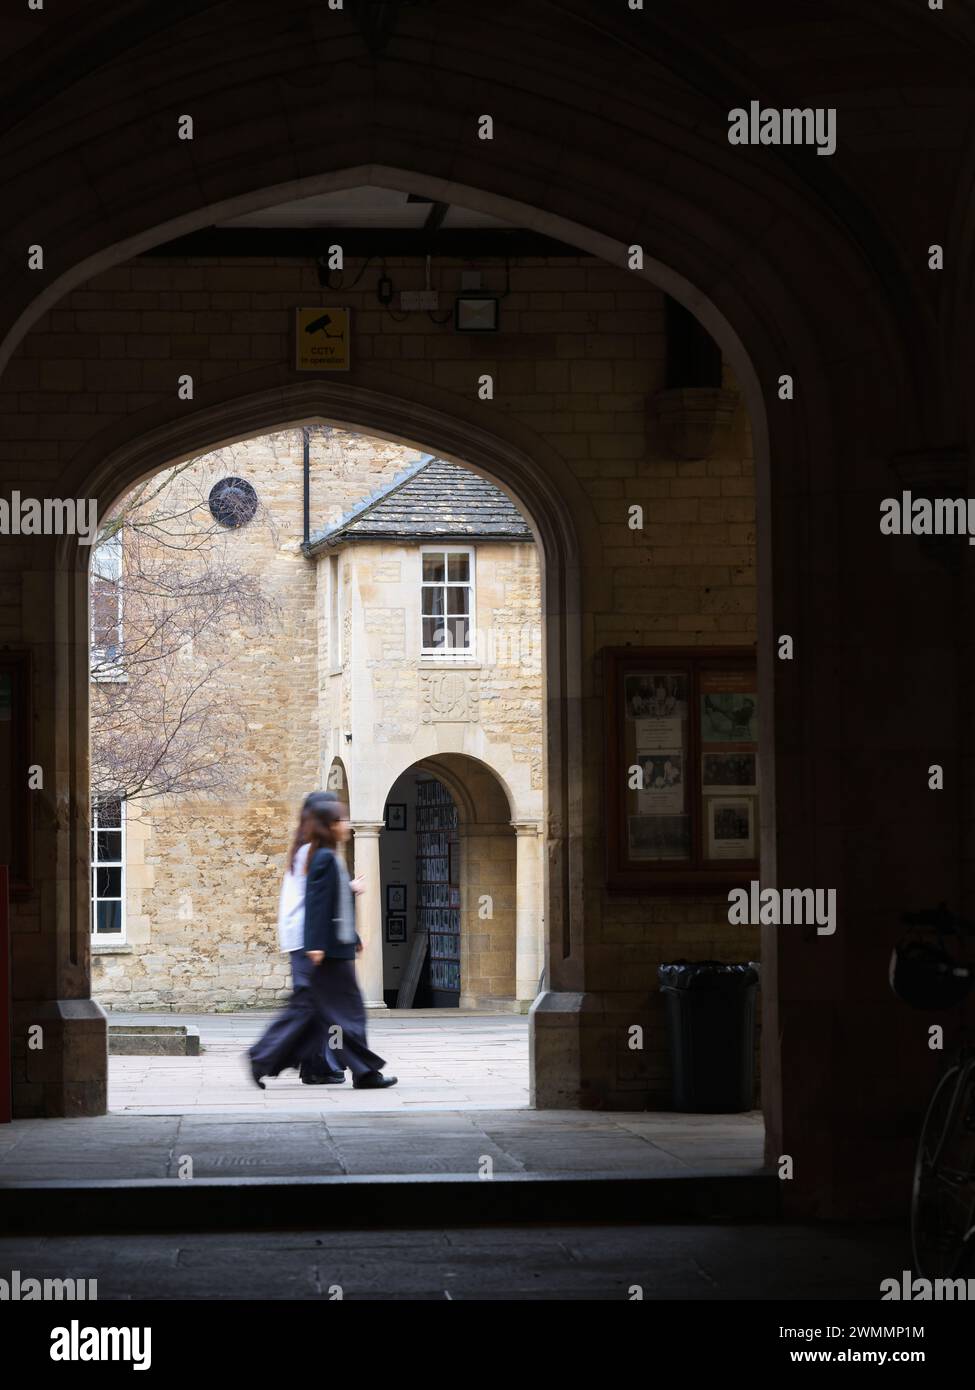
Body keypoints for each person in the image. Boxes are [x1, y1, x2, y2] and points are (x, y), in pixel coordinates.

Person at [249, 798, 397, 1091]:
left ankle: (337, 1068)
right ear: (328, 824)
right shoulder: (317, 855)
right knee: (332, 1011)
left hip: (321, 944)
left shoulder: (315, 854)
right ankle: (283, 1060)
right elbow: (316, 904)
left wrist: (349, 935)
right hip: (317, 946)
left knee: (325, 1012)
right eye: (342, 820)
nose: (347, 825)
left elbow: (326, 902)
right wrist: (317, 944)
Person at [275, 791, 351, 1084]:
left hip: (301, 937)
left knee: (316, 1004)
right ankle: (316, 1063)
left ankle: (314, 1065)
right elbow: (317, 899)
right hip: (310, 938)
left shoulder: (303, 849)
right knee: (320, 1006)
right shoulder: (313, 852)